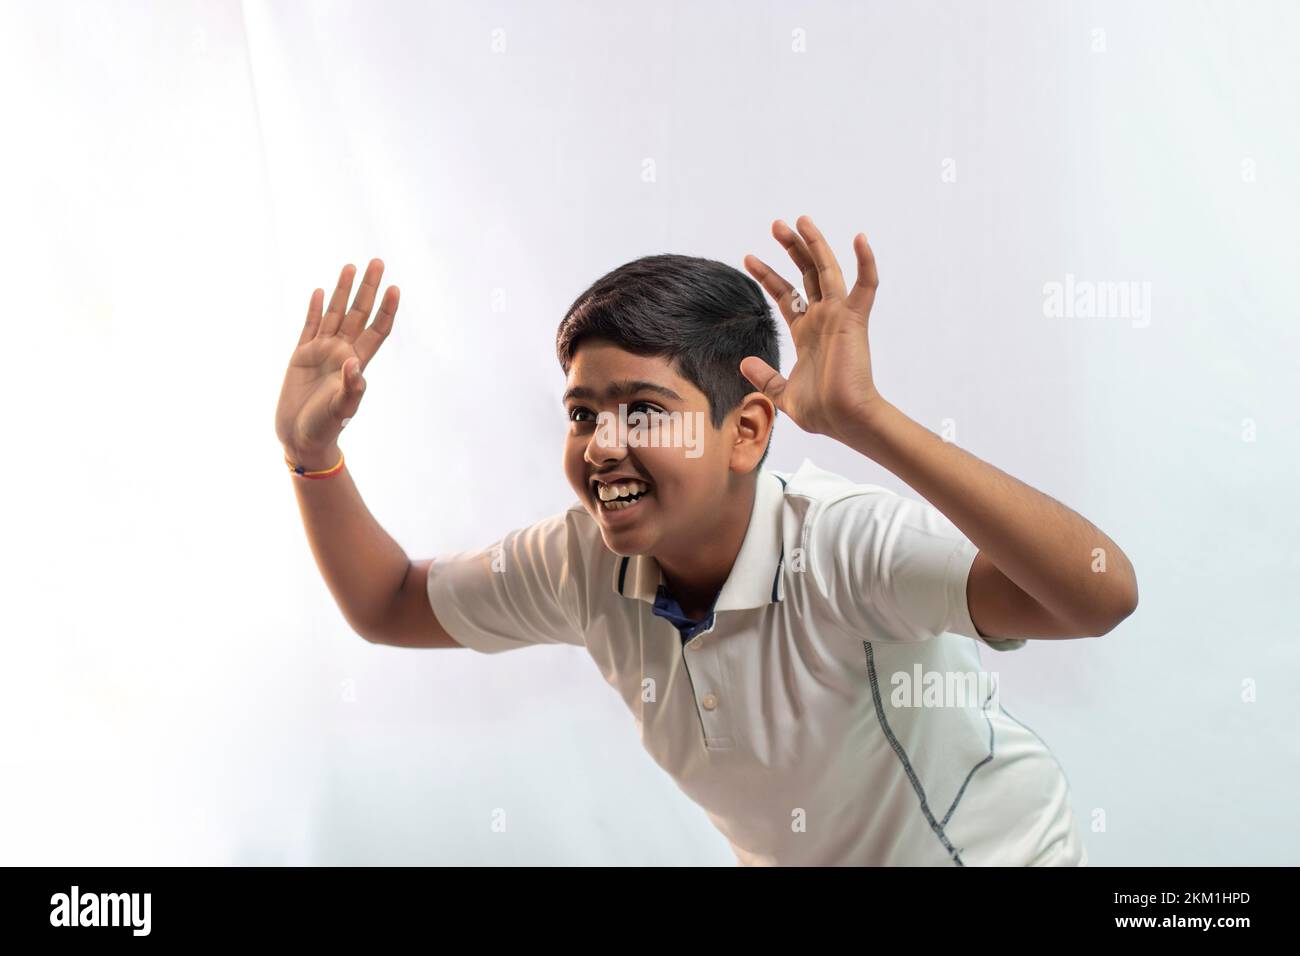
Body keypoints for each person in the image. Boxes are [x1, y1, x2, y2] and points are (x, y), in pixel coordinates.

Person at [274, 216, 1138, 865]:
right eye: (583, 414)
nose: (604, 444)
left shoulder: (844, 546)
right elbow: (388, 602)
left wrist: (870, 423)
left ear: (748, 432)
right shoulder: (582, 561)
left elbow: (1099, 594)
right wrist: (311, 456)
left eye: (644, 410)